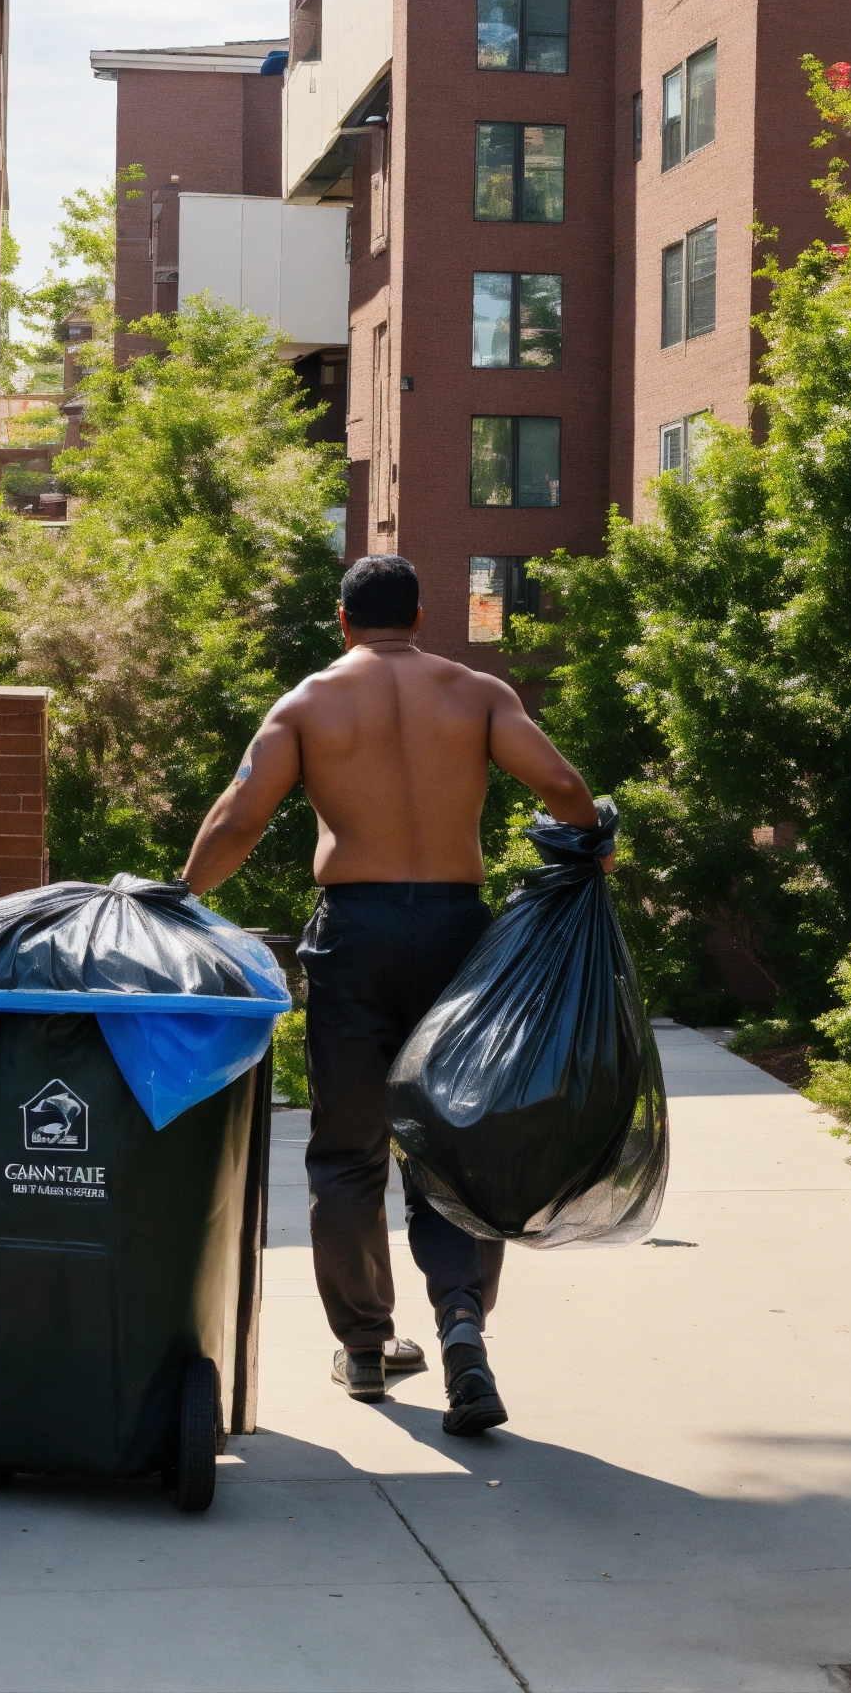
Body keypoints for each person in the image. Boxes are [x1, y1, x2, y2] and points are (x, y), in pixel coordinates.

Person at [182, 553, 610, 1436]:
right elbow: (567, 792)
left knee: (346, 1153)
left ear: (342, 622)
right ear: (419, 616)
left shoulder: (306, 704)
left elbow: (239, 818)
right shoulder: (479, 692)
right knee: (455, 1145)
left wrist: (180, 901)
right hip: (458, 936)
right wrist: (591, 845)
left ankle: (368, 1347)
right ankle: (460, 1328)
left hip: (356, 935)